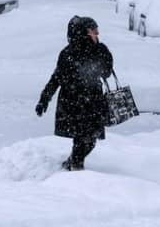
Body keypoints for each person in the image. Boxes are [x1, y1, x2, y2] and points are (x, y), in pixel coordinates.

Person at [36, 16, 114, 171]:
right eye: (93, 30)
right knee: (82, 138)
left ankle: (71, 164)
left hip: (93, 102)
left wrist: (101, 50)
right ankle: (76, 170)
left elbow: (106, 73)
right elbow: (56, 78)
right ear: (84, 32)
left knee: (90, 140)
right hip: (74, 104)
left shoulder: (98, 50)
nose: (97, 34)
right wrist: (44, 99)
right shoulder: (67, 53)